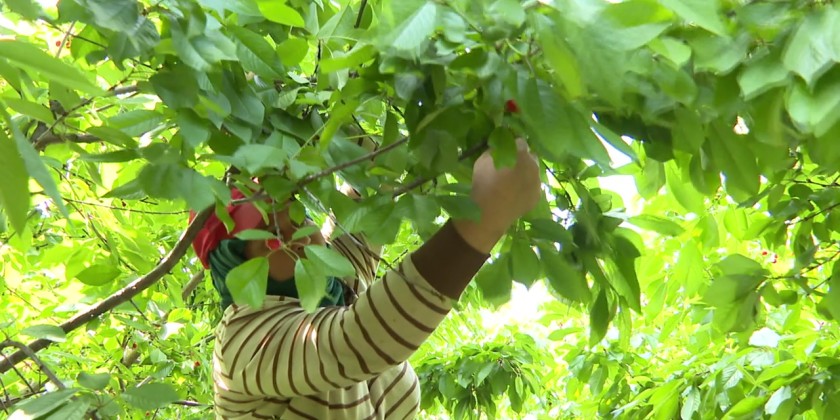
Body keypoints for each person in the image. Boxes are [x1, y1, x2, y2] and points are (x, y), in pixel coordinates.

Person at [192, 138, 541, 419]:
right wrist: (488, 212)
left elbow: (373, 176)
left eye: (297, 215)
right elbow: (356, 341)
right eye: (273, 232)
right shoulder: (240, 343)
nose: (296, 233)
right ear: (234, 268)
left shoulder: (338, 281)